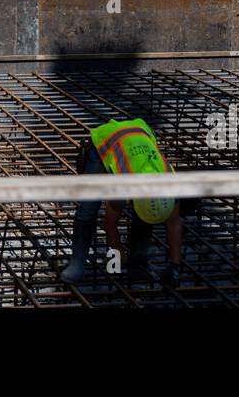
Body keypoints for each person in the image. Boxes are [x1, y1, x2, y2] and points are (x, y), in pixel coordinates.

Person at [60, 118, 183, 288]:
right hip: (105, 142)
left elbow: (174, 223)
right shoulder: (123, 185)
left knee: (145, 216)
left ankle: (138, 261)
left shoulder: (170, 180)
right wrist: (118, 254)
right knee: (88, 209)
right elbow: (110, 224)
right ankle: (77, 263)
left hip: (139, 131)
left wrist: (175, 266)